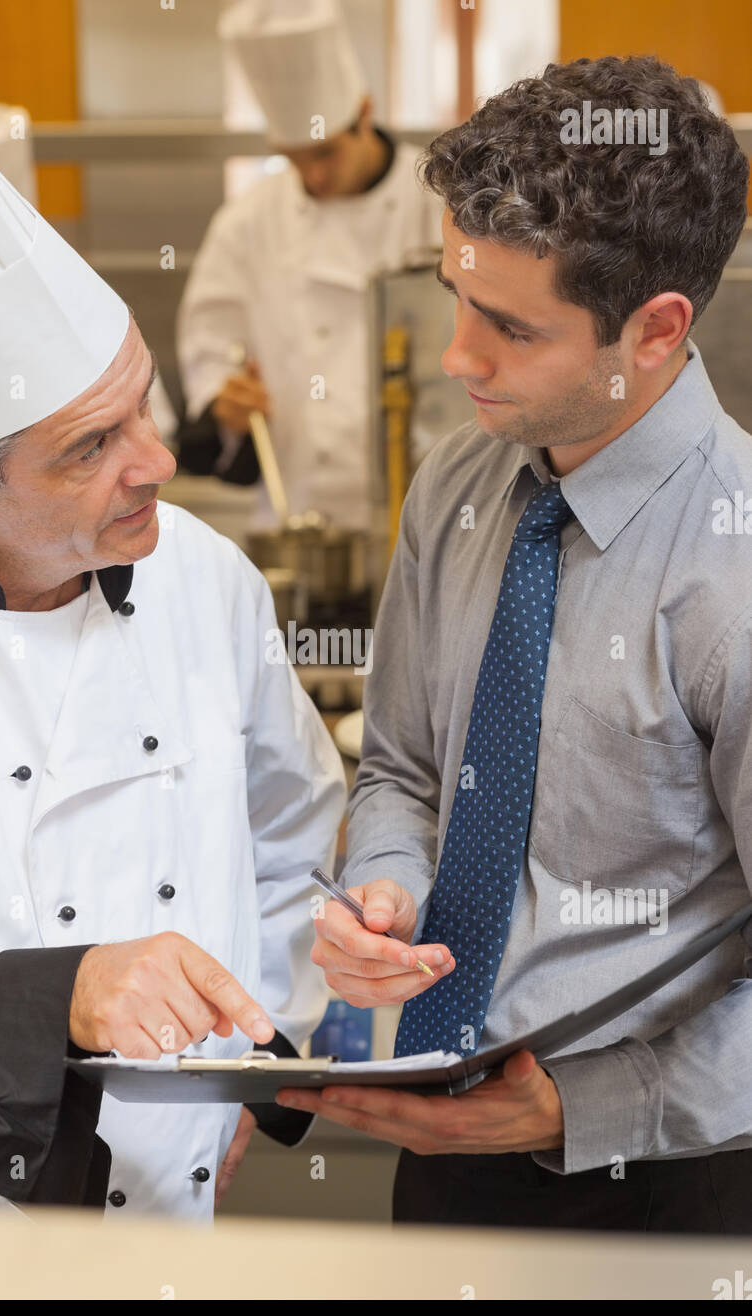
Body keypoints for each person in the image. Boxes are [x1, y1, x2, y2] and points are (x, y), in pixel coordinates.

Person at [276, 55, 752, 1236]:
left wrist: (576, 1106)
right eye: (452, 293)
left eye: (506, 325)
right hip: (440, 1150)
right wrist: (384, 890)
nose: (453, 356)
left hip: (672, 1178)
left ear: (651, 330)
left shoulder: (729, 571)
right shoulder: (456, 487)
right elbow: (401, 769)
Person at [0, 95, 352, 1220]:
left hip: (179, 1221)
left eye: (140, 405)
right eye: (90, 447)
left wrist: (248, 1065)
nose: (155, 462)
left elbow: (291, 840)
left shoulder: (203, 577)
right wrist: (55, 994)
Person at [175, 0, 440, 530]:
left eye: (324, 155)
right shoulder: (249, 220)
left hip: (426, 503)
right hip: (293, 509)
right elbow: (210, 347)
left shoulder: (437, 200)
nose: (312, 178)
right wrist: (225, 398)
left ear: (364, 113)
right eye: (294, 160)